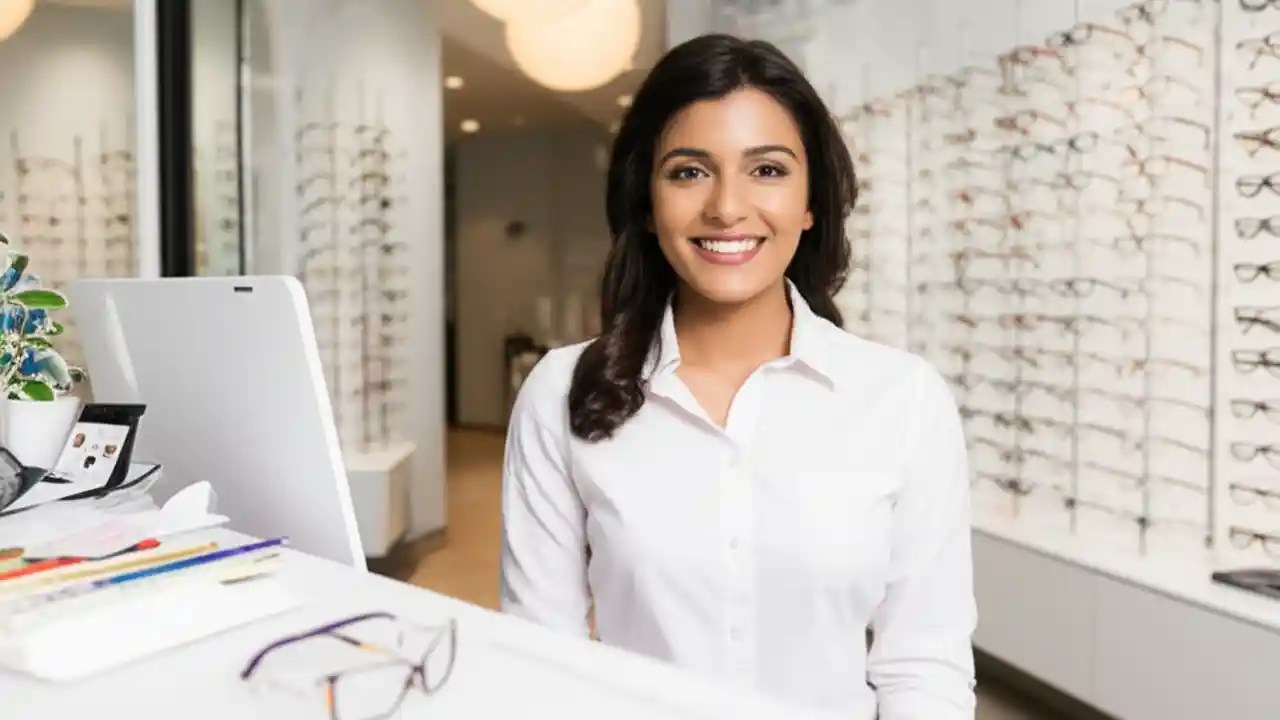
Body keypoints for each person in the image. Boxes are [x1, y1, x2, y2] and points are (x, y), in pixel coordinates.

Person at [499, 33, 977, 719]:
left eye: (768, 170)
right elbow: (541, 660)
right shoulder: (559, 391)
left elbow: (923, 667)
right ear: (645, 200)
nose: (726, 207)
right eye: (690, 172)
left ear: (811, 202)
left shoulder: (903, 400)